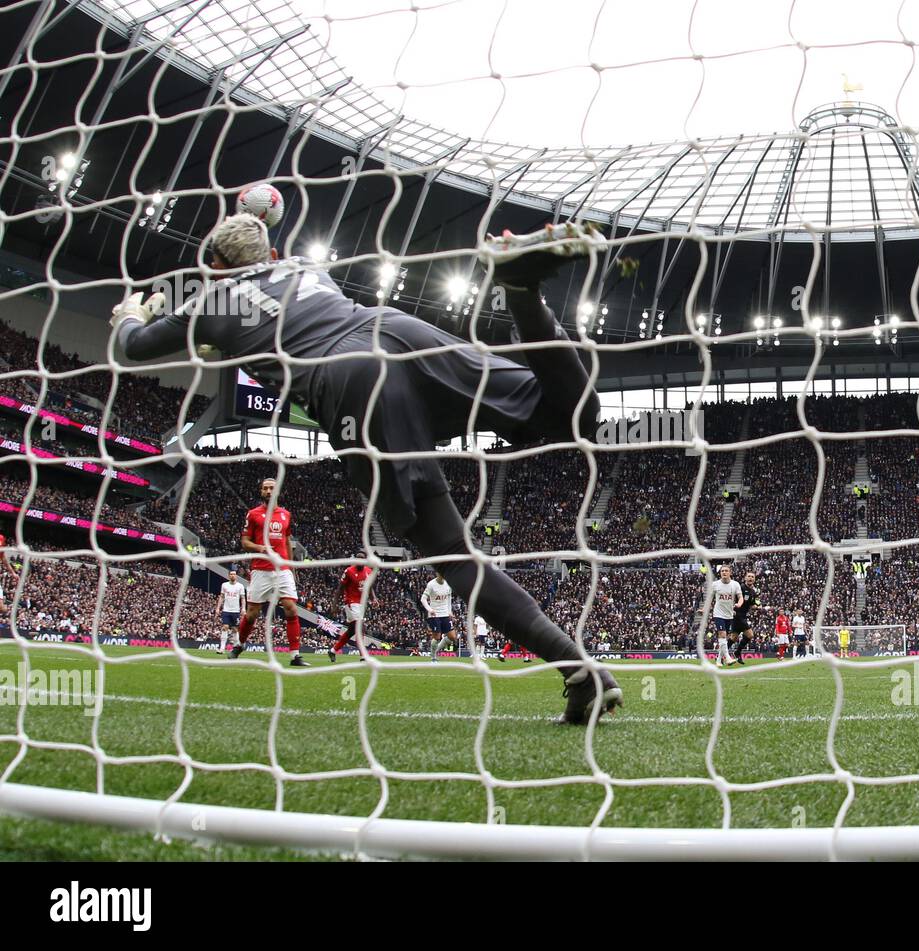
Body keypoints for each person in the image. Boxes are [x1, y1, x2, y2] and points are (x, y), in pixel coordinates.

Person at [112, 216, 621, 722]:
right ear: (268, 252)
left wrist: (132, 312)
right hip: (395, 330)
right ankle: (521, 290)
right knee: (575, 413)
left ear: (215, 266)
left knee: (454, 554)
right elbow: (264, 305)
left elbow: (135, 345)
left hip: (348, 378)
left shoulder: (208, 302)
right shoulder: (301, 265)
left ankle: (578, 671)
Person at [228, 477, 305, 666]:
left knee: (291, 607)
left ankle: (295, 655)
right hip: (260, 570)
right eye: (265, 489)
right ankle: (239, 644)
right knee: (252, 613)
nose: (269, 491)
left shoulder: (286, 514)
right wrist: (260, 548)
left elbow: (287, 541)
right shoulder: (253, 514)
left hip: (282, 569)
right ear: (261, 492)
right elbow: (244, 542)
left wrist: (290, 565)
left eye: (272, 488)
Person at [327, 554, 379, 661]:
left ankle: (333, 651)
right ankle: (363, 655)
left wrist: (374, 598)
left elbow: (369, 587)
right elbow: (340, 589)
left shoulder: (368, 571)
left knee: (351, 630)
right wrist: (334, 605)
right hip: (351, 602)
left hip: (361, 604)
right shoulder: (349, 571)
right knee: (360, 627)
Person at [710, 565, 743, 666]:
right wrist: (703, 609)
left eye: (726, 571)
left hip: (729, 614)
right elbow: (709, 599)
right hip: (718, 613)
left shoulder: (735, 584)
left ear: (730, 573)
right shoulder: (715, 584)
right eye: (722, 571)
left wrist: (739, 604)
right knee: (722, 634)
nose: (724, 572)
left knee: (724, 638)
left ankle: (719, 660)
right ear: (720, 573)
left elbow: (740, 597)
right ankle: (728, 658)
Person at [421, 568, 456, 661]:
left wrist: (450, 611)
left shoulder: (448, 584)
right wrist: (430, 609)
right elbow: (423, 599)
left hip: (445, 613)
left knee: (452, 637)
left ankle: (435, 651)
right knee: (437, 637)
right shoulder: (431, 584)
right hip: (434, 614)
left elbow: (448, 599)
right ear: (437, 573)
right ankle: (433, 657)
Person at [216, 569, 246, 652]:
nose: (233, 575)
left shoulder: (240, 586)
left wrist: (243, 608)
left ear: (236, 576)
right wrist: (218, 608)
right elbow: (221, 596)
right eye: (231, 574)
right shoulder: (224, 585)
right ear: (229, 575)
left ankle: (235, 647)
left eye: (234, 574)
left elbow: (243, 598)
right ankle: (222, 648)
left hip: (235, 611)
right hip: (226, 610)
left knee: (235, 629)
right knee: (225, 627)